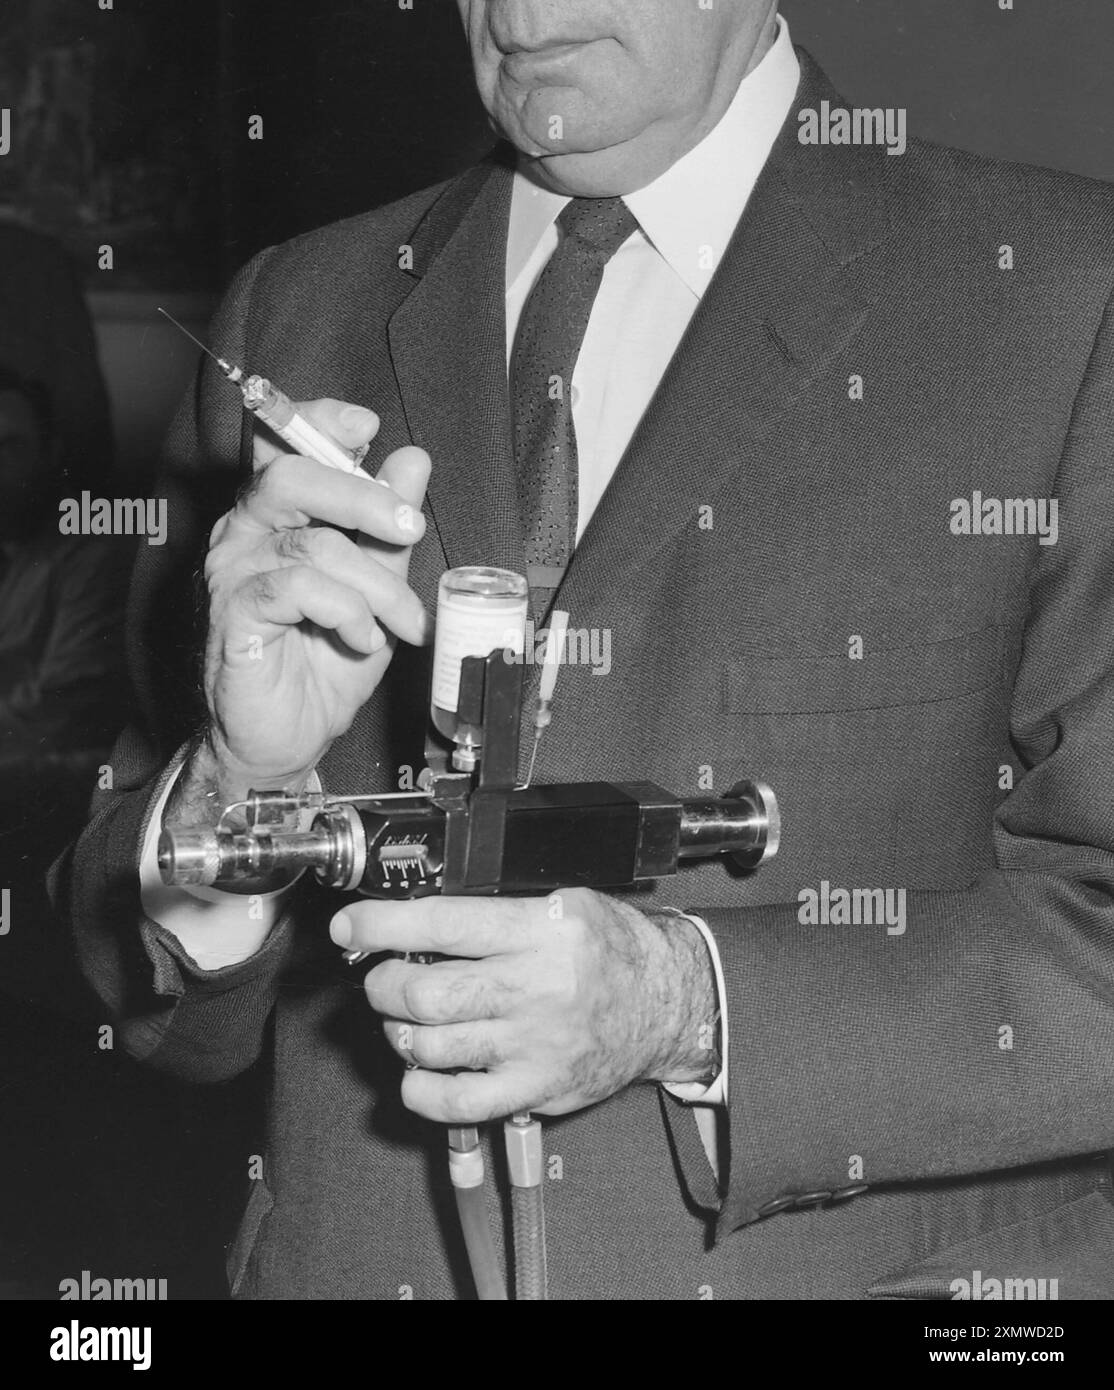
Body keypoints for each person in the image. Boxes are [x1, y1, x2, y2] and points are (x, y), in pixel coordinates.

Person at [57, 1, 1114, 1299]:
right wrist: (233, 781)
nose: (526, 12)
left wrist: (691, 1004)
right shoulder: (298, 303)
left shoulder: (1060, 297)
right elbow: (133, 976)